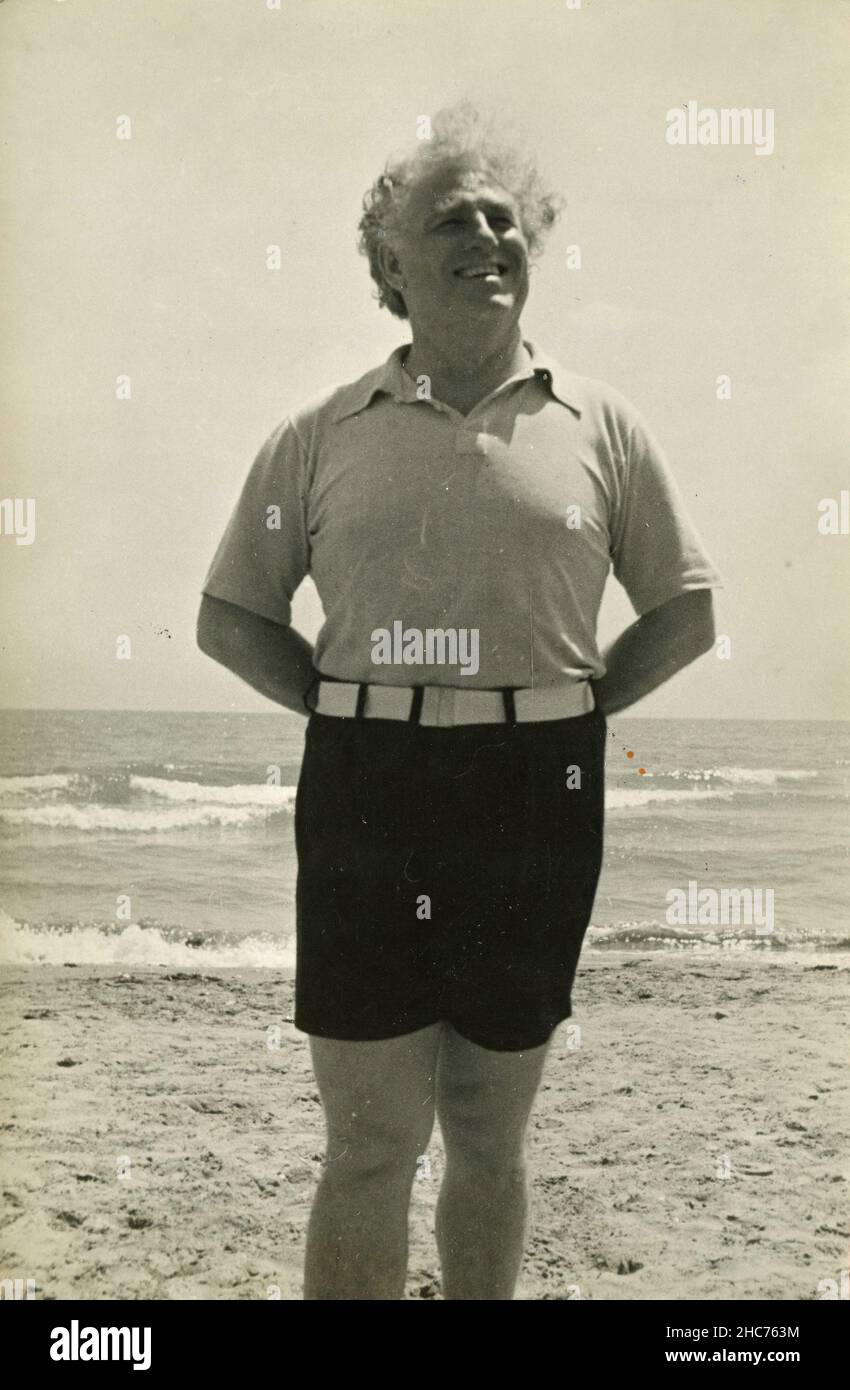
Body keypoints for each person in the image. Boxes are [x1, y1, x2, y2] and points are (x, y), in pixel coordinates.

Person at [196, 104, 722, 1300]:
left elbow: (684, 610)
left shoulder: (602, 426)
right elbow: (230, 615)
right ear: (389, 260)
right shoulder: (320, 431)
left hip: (537, 794)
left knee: (490, 1133)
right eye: (451, 219)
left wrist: (572, 715)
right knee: (371, 1141)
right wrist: (349, 706)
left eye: (505, 216)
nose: (486, 236)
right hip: (366, 790)